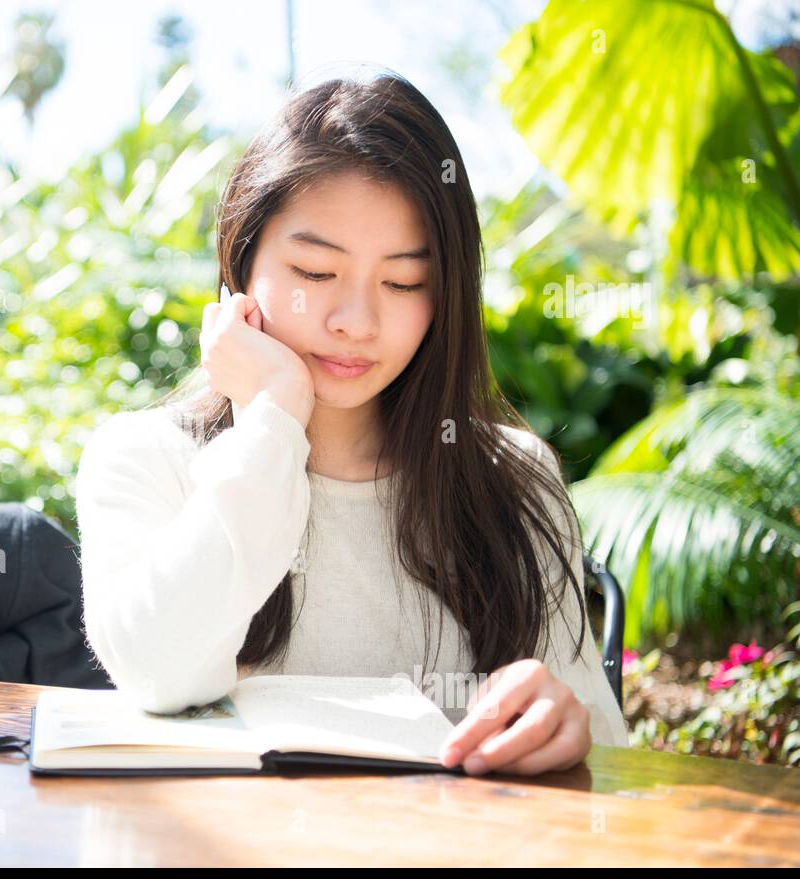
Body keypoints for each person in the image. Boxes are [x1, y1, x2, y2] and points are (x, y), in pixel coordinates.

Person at [73, 70, 628, 778]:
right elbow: (159, 672)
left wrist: (565, 721)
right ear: (240, 265)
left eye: (403, 282)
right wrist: (273, 419)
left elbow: (608, 760)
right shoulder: (145, 458)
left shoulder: (512, 478)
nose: (355, 322)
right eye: (314, 270)